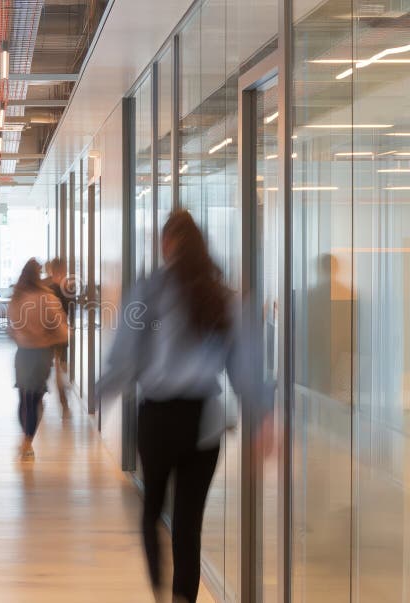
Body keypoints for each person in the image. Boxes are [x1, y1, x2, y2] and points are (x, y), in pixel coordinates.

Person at [97, 210, 272, 603]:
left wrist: (102, 392)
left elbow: (125, 358)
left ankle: (161, 592)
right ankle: (182, 599)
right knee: (188, 525)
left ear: (166, 244)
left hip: (158, 418)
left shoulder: (148, 291)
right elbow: (245, 370)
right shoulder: (223, 298)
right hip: (203, 423)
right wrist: (262, 416)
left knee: (151, 508)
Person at [8, 258, 68, 461]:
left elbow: (10, 330)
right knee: (35, 400)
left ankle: (26, 438)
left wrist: (22, 336)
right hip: (42, 355)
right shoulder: (48, 298)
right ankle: (27, 440)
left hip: (23, 354)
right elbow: (62, 332)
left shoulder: (17, 298)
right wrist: (47, 337)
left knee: (24, 399)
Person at [47, 257, 73, 417]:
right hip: (60, 336)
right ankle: (64, 405)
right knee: (59, 370)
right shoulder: (65, 289)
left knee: (55, 370)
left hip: (50, 336)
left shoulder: (49, 289)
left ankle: (61, 403)